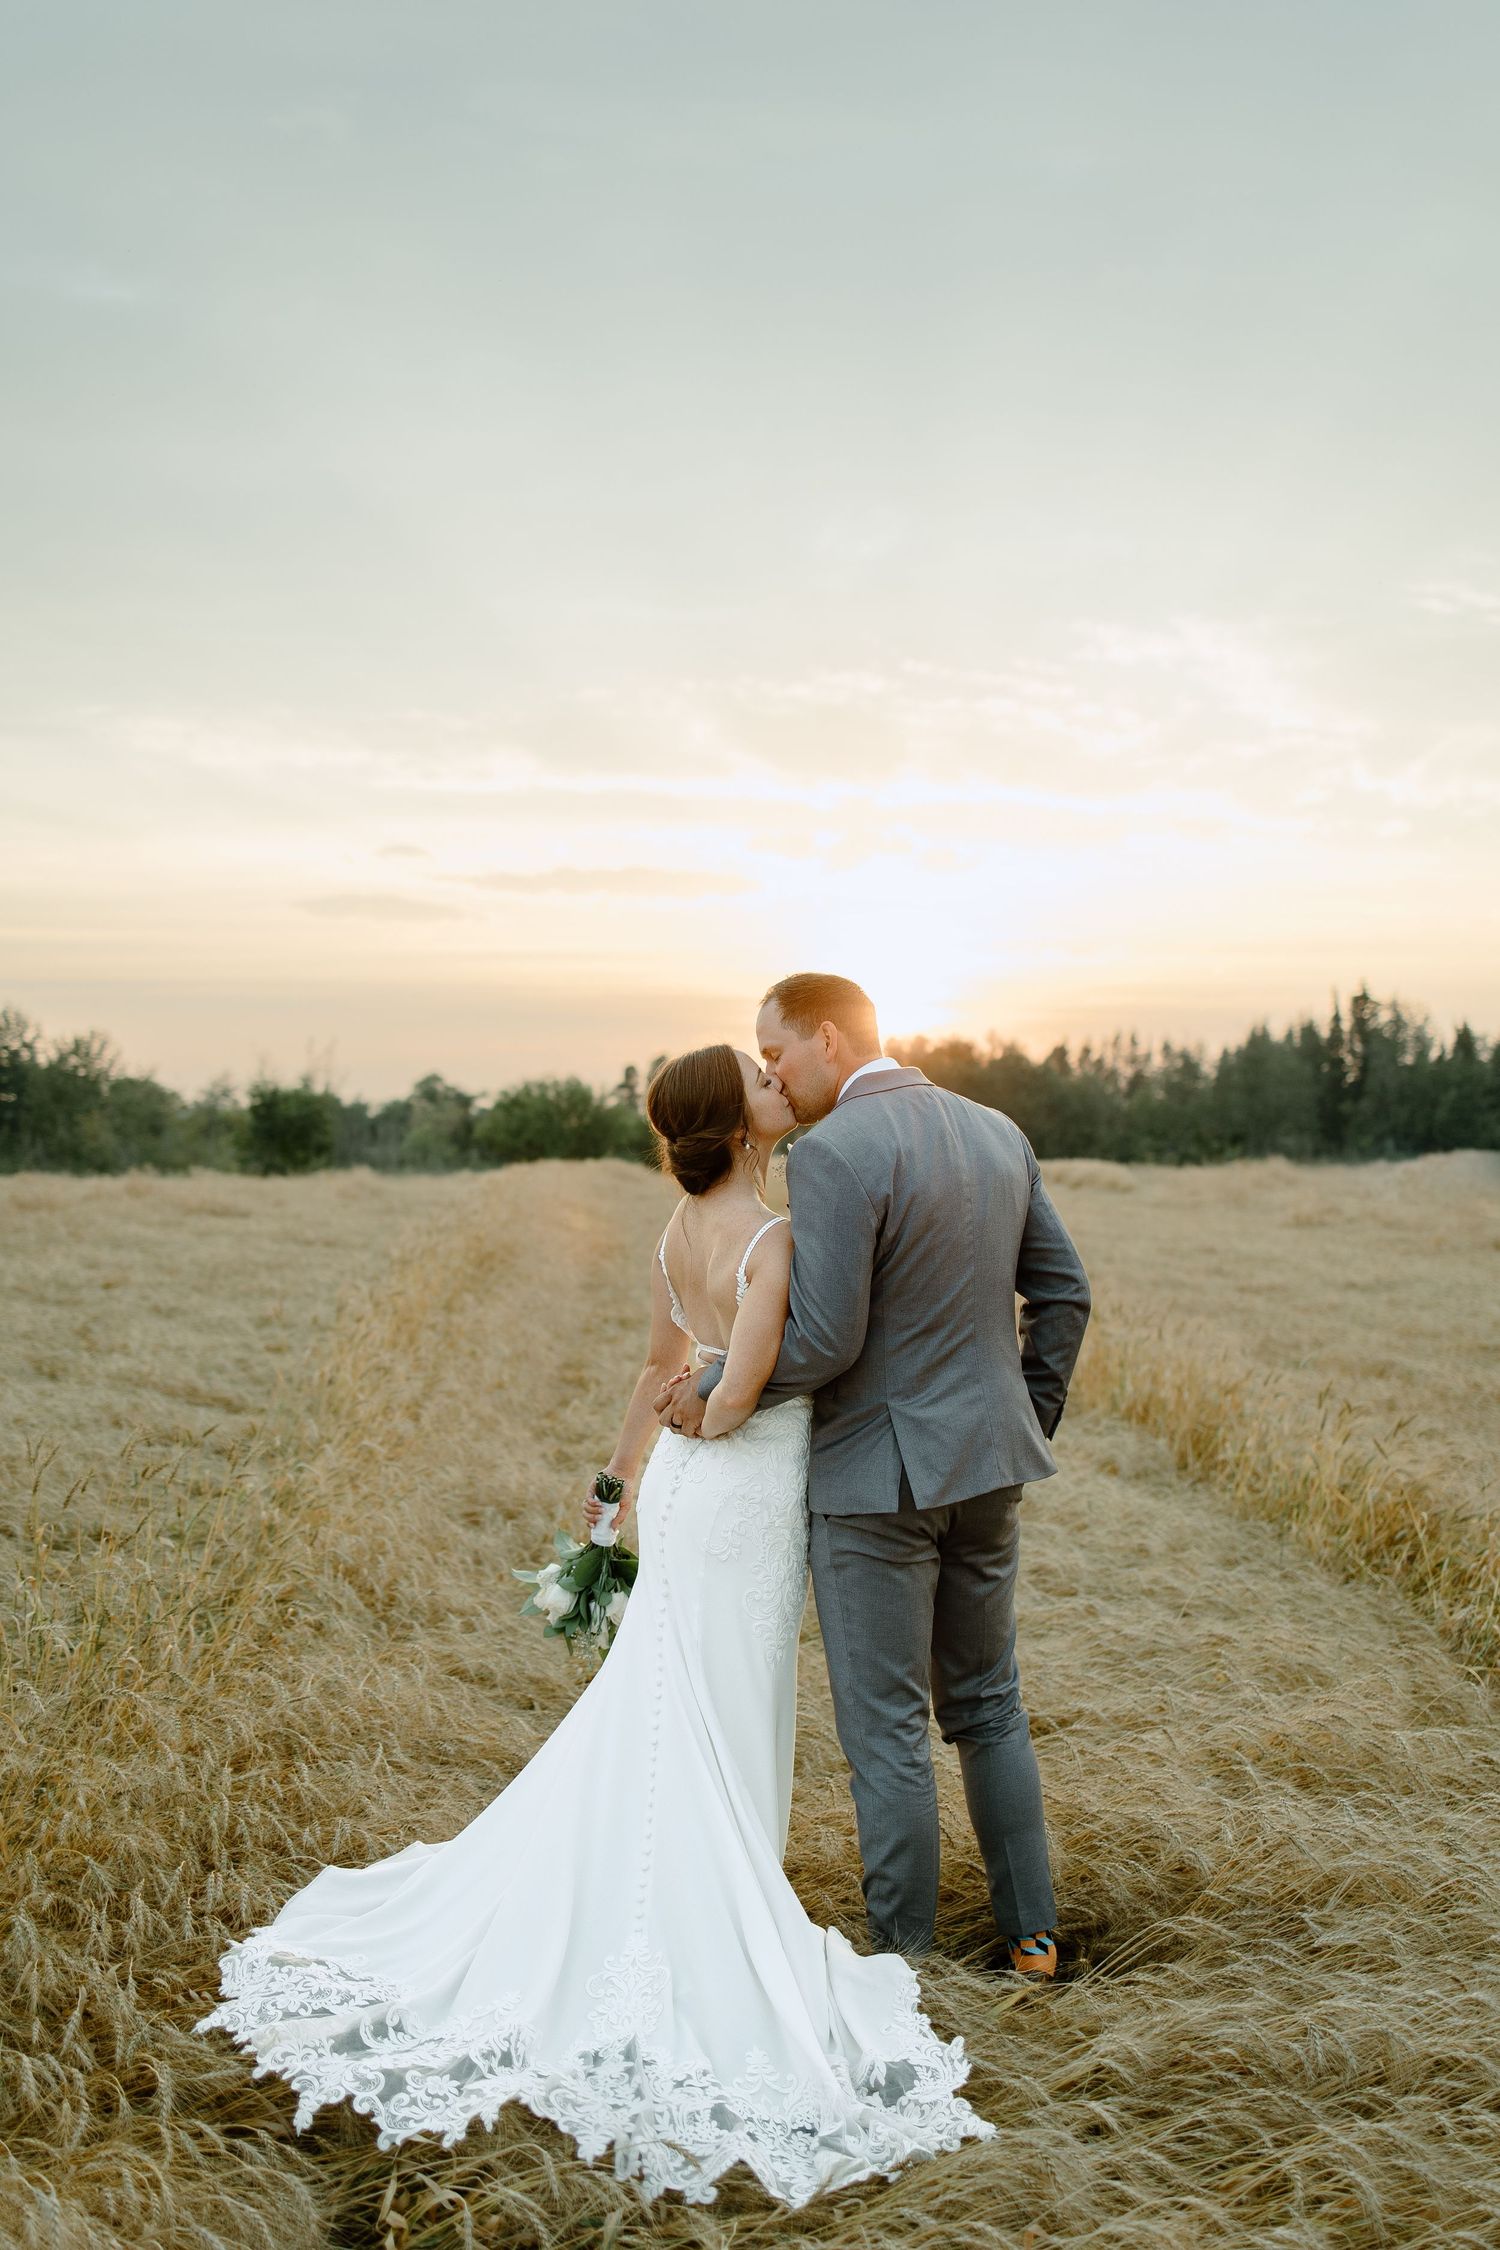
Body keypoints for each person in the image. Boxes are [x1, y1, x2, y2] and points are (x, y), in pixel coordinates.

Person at [196, 1041, 994, 2209]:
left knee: (670, 1691)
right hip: (737, 1493)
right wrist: (705, 1417)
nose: (782, 1085)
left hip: (679, 1493)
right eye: (762, 1082)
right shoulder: (773, 1240)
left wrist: (617, 1483)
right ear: (741, 1121)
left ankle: (668, 1870)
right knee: (723, 1699)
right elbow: (734, 1392)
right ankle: (702, 1902)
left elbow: (660, 1367)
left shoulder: (677, 1235)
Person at [653, 973, 1091, 1977]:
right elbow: (1065, 1297)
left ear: (828, 1039)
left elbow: (825, 1336)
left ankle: (904, 1963)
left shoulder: (837, 1150)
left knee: (887, 1728)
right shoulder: (995, 1132)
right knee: (988, 1705)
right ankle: (1032, 1938)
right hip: (989, 1472)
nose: (771, 1072)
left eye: (777, 1053)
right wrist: (1019, 1416)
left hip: (873, 1488)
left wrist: (724, 1384)